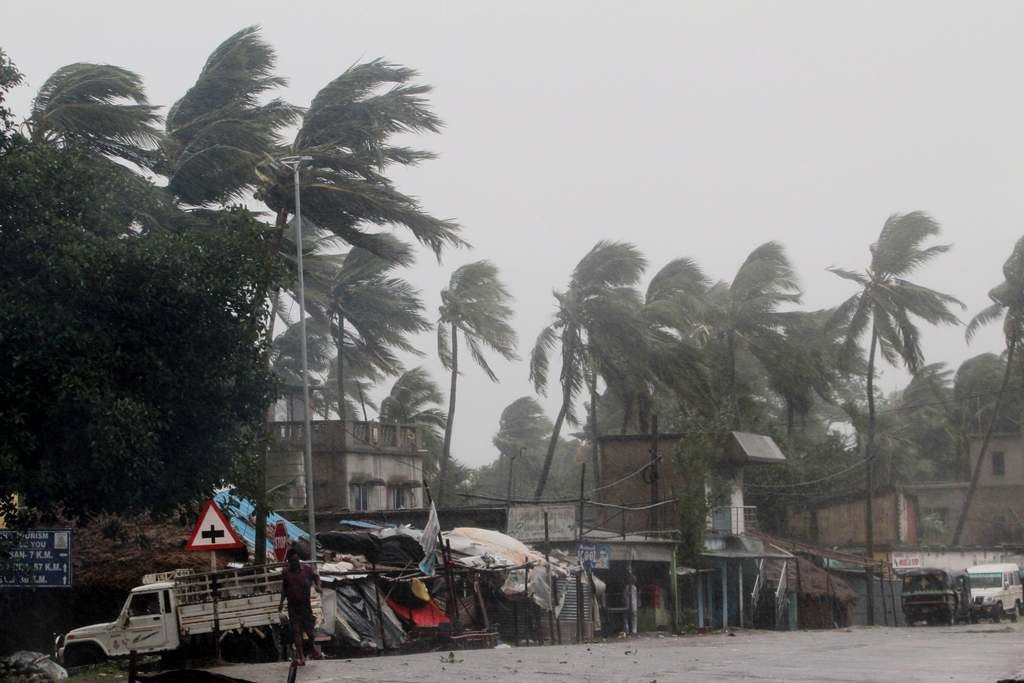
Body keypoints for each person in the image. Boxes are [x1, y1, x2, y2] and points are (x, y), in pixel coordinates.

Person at [279, 547, 323, 665]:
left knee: (310, 633)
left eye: (296, 560)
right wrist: (281, 602)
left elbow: (316, 577)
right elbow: (284, 588)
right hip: (293, 607)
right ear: (289, 561)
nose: (295, 563)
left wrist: (318, 586)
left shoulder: (307, 570)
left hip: (305, 606)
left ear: (298, 559)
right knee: (296, 632)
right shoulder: (286, 573)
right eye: (292, 561)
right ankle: (301, 657)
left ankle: (312, 648)